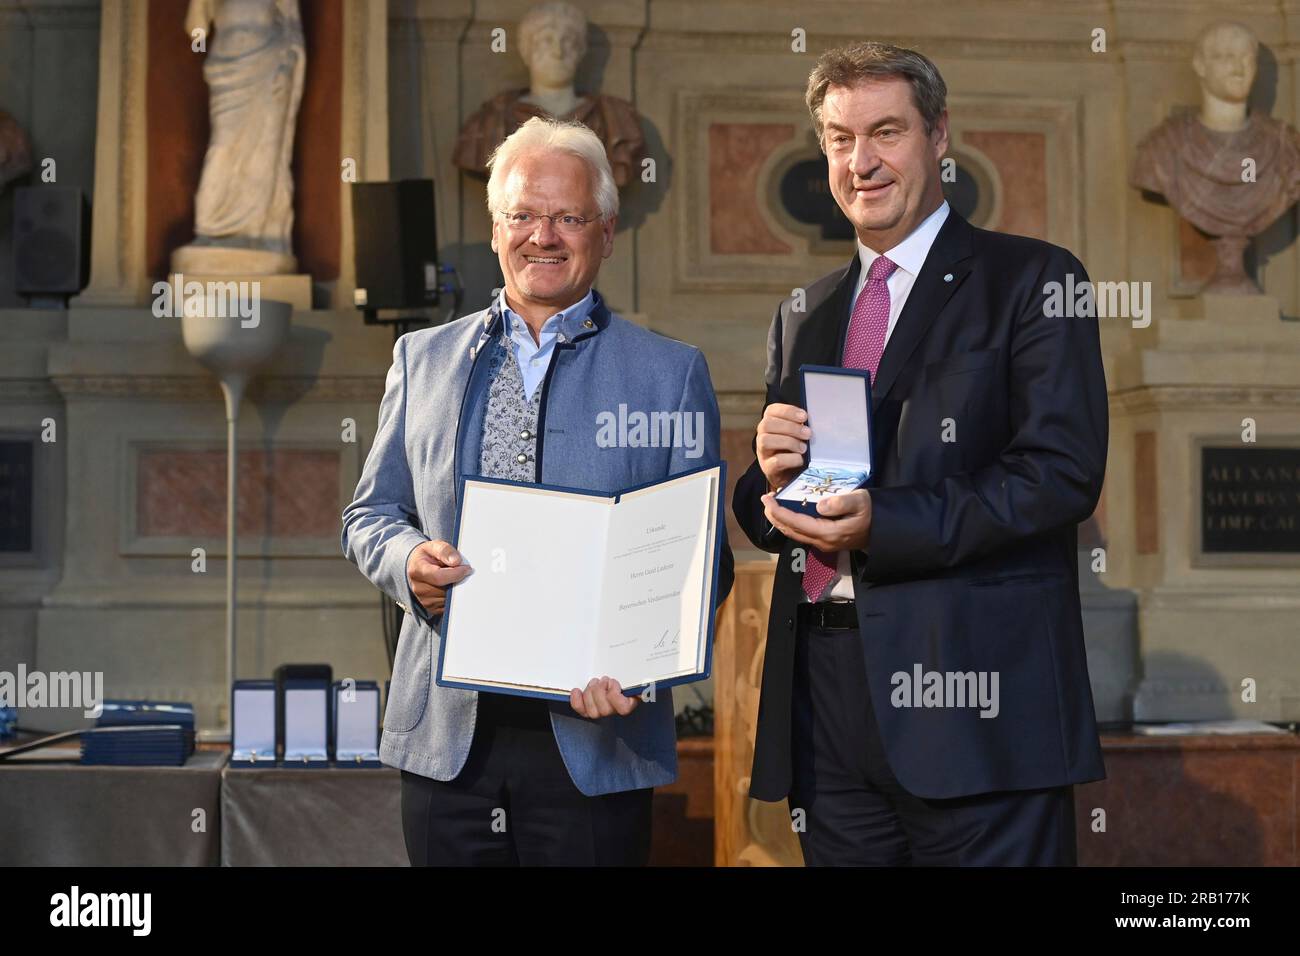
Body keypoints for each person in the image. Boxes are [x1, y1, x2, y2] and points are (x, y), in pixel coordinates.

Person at [732, 41, 1108, 866]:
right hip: (826, 708)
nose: (859, 161)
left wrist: (882, 524)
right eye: (838, 138)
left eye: (885, 132)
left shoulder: (1036, 280)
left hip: (977, 707)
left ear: (940, 137)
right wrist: (766, 475)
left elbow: (1059, 475)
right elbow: (778, 507)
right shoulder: (807, 313)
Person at [343, 116, 732, 866]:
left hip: (595, 738)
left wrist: (641, 666)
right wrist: (408, 562)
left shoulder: (667, 374)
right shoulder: (420, 359)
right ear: (496, 229)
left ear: (607, 232)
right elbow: (371, 515)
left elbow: (699, 561)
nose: (542, 236)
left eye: (566, 217)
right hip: (448, 738)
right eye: (522, 214)